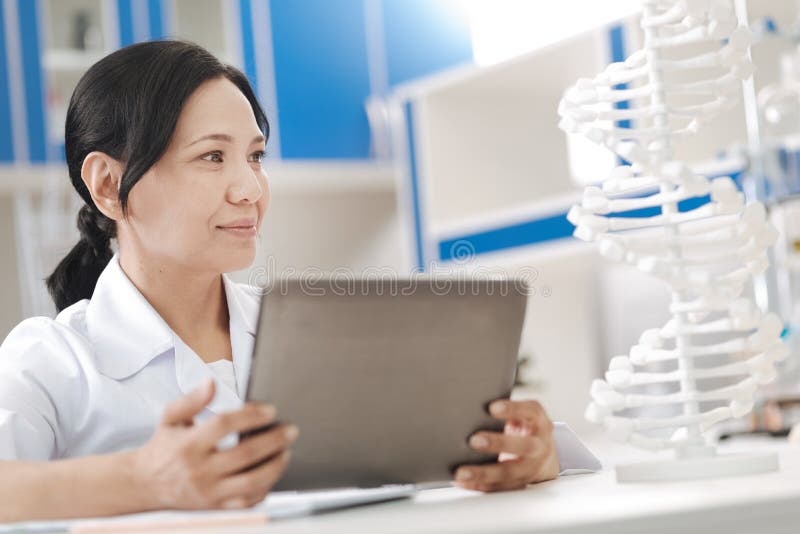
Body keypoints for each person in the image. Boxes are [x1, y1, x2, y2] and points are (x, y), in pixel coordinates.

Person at [0, 40, 572, 523]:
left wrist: (526, 458)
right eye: (211, 158)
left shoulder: (318, 335)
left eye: (254, 156)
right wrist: (144, 478)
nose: (249, 188)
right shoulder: (50, 360)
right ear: (107, 186)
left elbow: (415, 474)